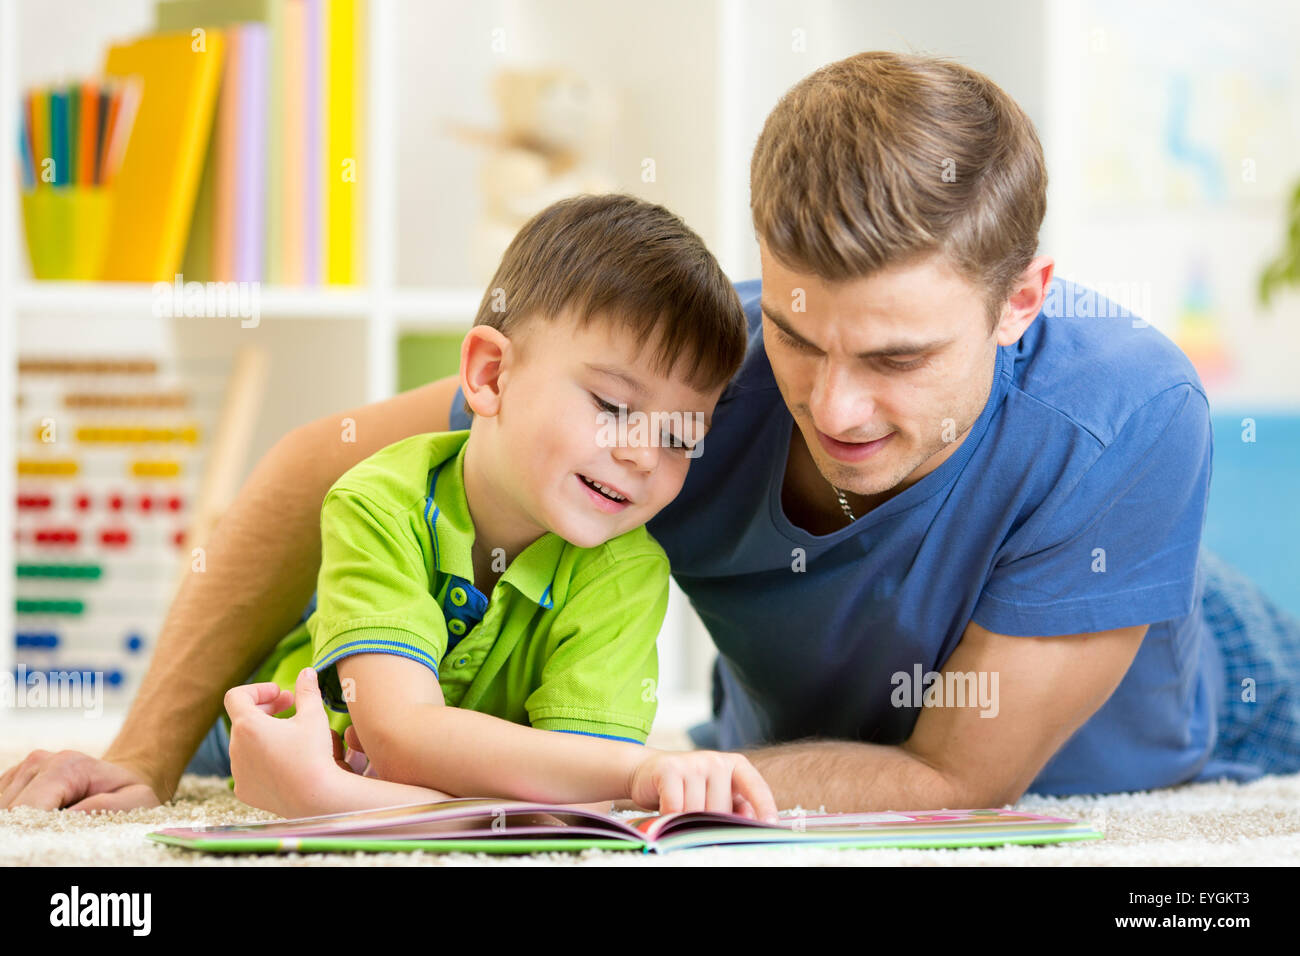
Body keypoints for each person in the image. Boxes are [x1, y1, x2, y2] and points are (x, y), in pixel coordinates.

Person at [5, 52, 1297, 815]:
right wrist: (141, 757)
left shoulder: (1128, 411)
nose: (834, 406)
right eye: (801, 336)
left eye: (899, 358)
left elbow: (957, 782)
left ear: (1022, 302)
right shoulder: (700, 369)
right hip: (786, 737)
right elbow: (321, 462)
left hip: (1231, 705)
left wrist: (634, 796)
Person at [216, 193, 780, 822]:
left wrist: (344, 800)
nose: (645, 456)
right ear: (489, 375)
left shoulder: (628, 570)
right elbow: (400, 736)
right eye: (614, 406)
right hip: (277, 728)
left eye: (680, 437)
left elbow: (580, 800)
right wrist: (641, 771)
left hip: (356, 774)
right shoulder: (378, 502)